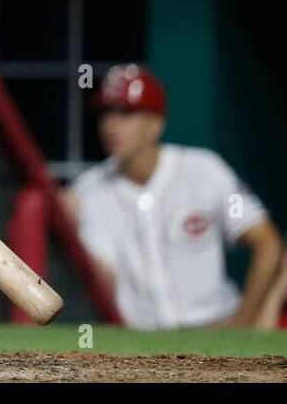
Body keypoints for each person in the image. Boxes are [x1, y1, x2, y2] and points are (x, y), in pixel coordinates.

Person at [69, 65, 283, 329]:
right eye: (106, 113)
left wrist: (243, 324)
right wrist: (68, 235)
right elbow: (106, 281)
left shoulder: (205, 171)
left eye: (126, 113)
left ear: (155, 124)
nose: (111, 125)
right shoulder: (88, 191)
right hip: (142, 341)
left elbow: (266, 242)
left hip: (215, 324)